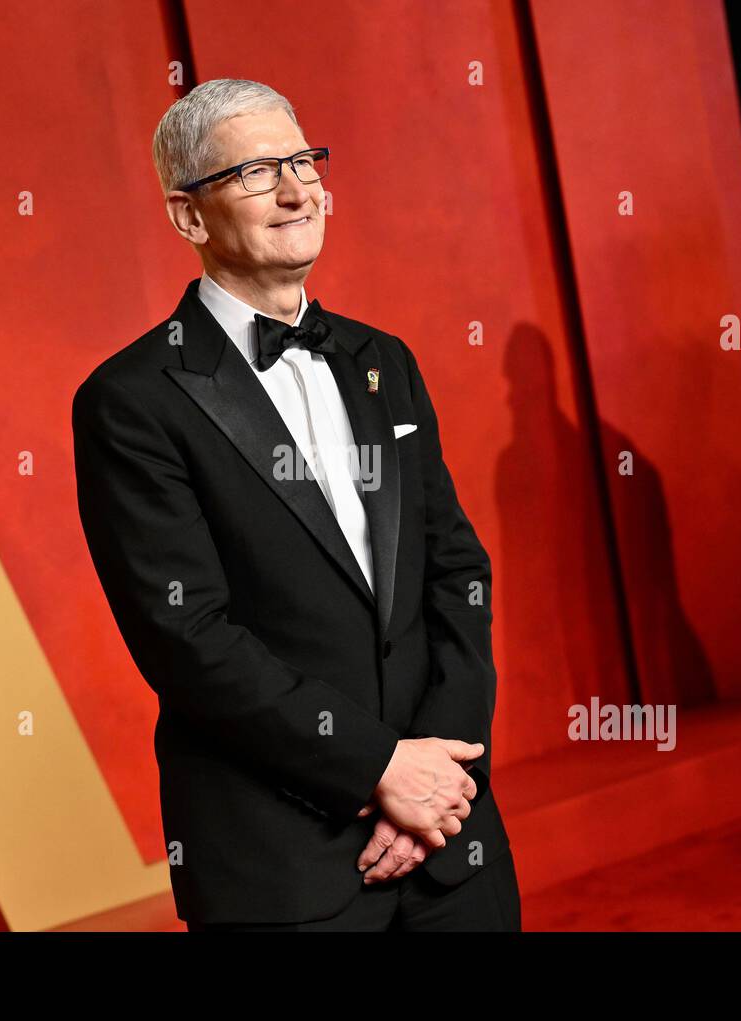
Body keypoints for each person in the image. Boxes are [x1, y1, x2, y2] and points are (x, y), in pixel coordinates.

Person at [71, 79, 520, 930]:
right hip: (284, 871)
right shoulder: (131, 399)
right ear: (189, 216)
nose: (296, 190)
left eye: (304, 162)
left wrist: (440, 772)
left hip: (454, 847)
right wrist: (377, 769)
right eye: (256, 172)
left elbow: (457, 570)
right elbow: (187, 638)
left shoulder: (382, 358)